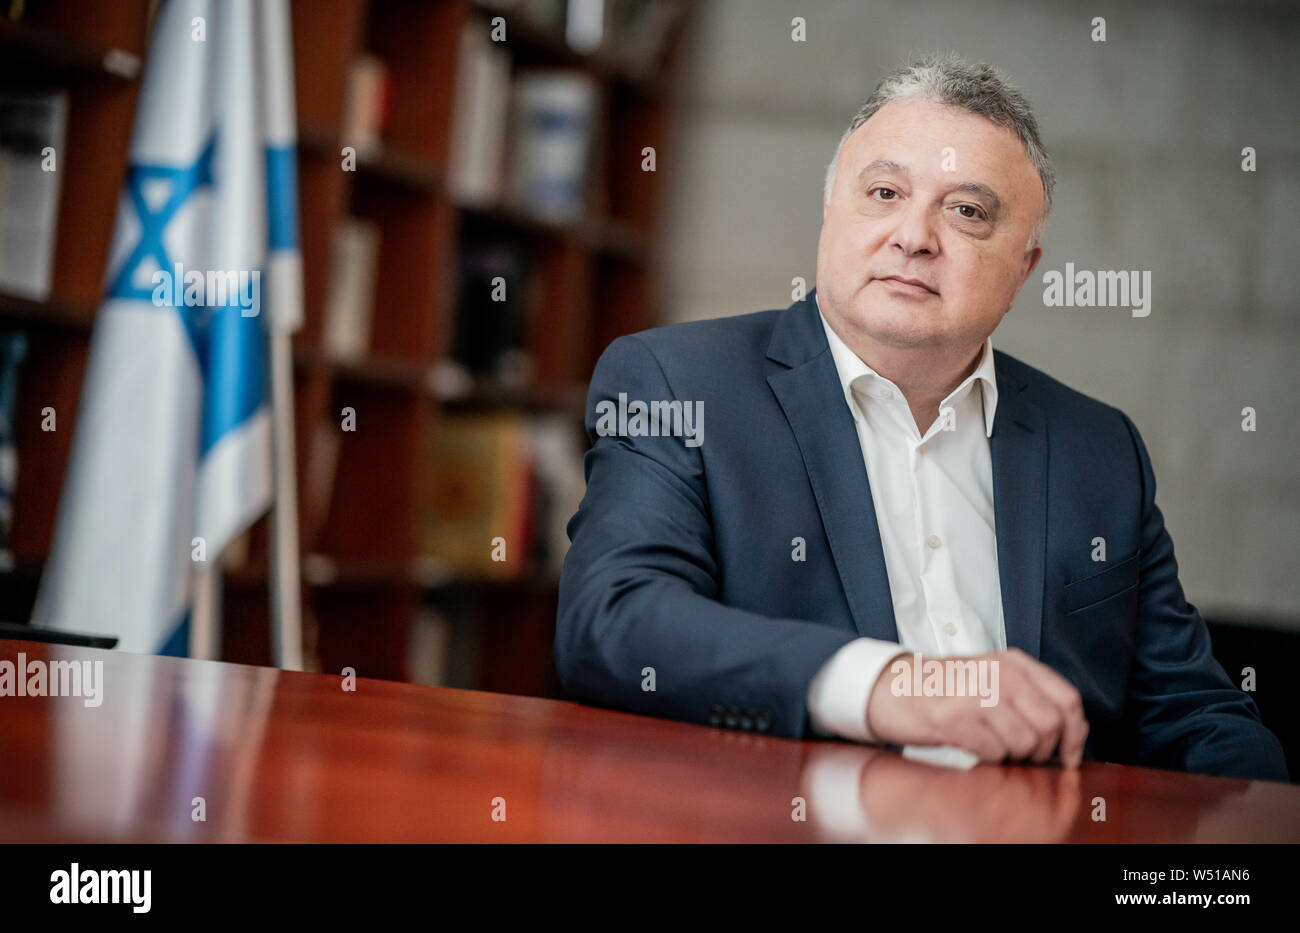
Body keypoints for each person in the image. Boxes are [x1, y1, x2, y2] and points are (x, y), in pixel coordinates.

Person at [554, 55, 1287, 782]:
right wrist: (890, 686)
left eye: (966, 211)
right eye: (883, 191)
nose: (914, 235)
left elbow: (1194, 714)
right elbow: (612, 620)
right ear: (830, 211)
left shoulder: (1100, 449)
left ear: (1023, 272)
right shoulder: (678, 382)